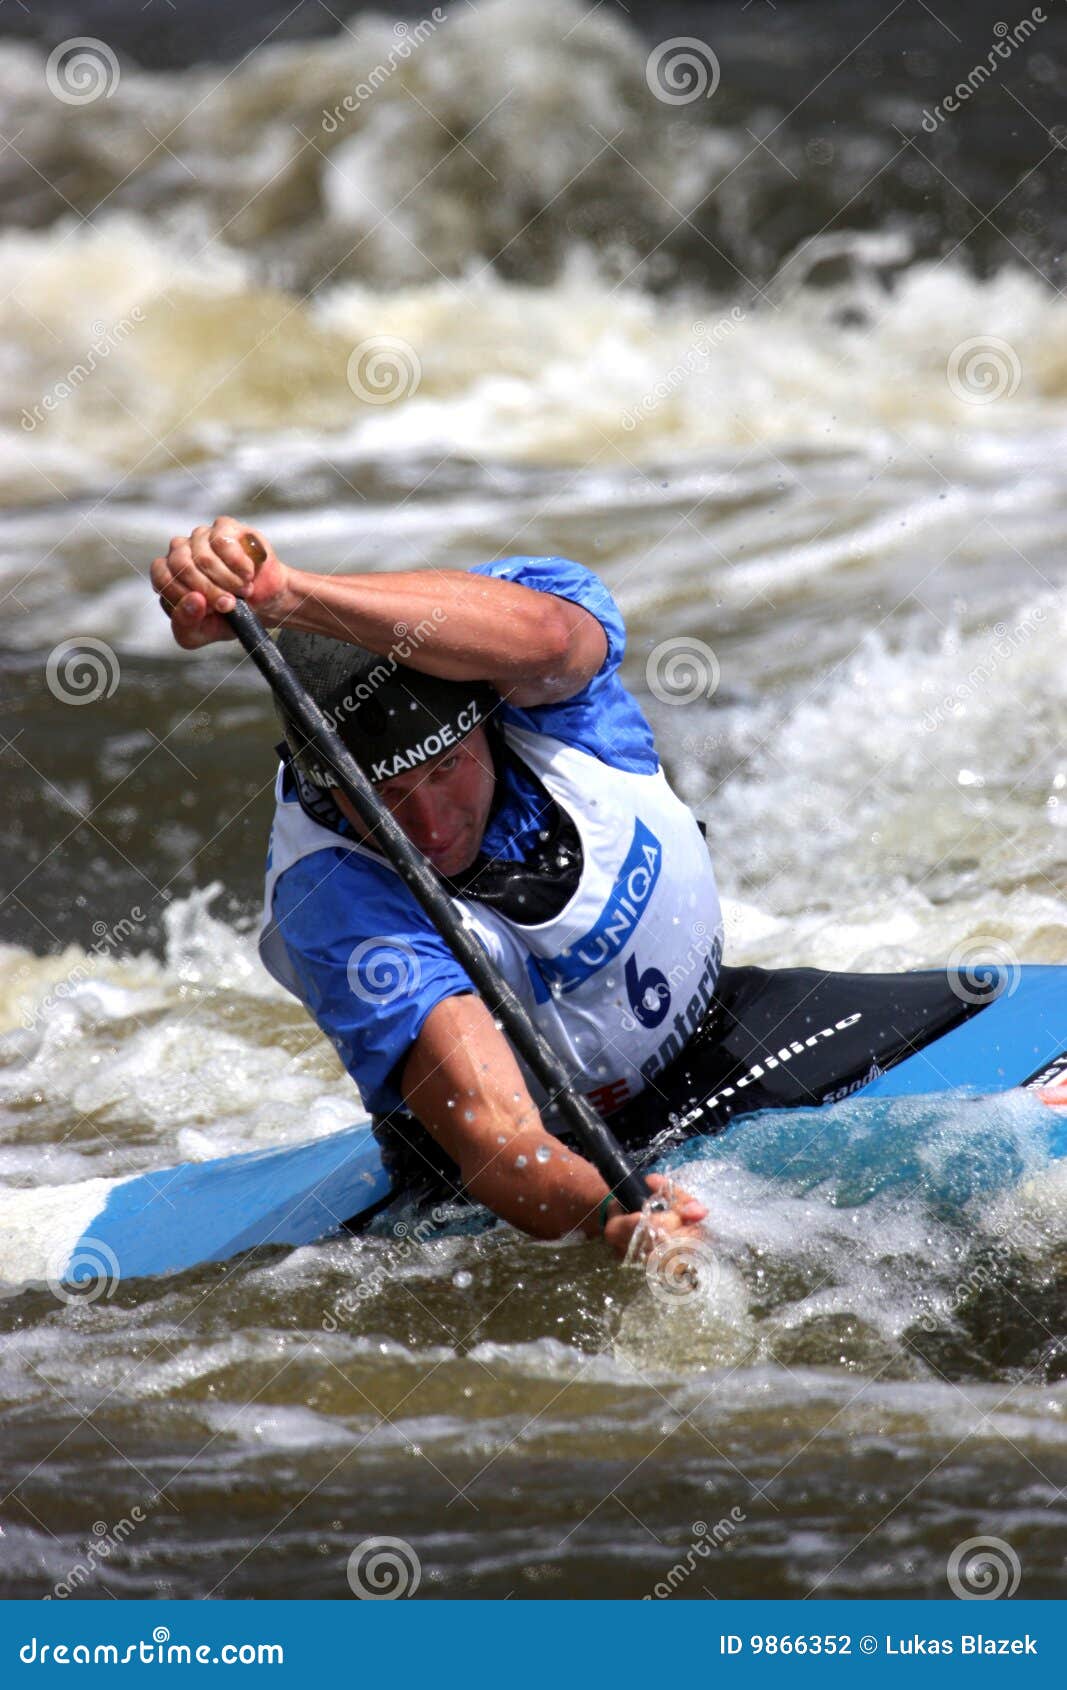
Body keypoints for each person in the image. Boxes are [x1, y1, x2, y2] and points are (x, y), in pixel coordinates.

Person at [151, 515, 726, 1261]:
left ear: (487, 718)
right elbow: (496, 1137)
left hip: (718, 1033)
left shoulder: (547, 701)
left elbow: (552, 640)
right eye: (381, 794)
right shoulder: (332, 896)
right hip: (523, 1173)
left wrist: (281, 593)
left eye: (444, 769)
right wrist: (609, 1216)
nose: (424, 827)